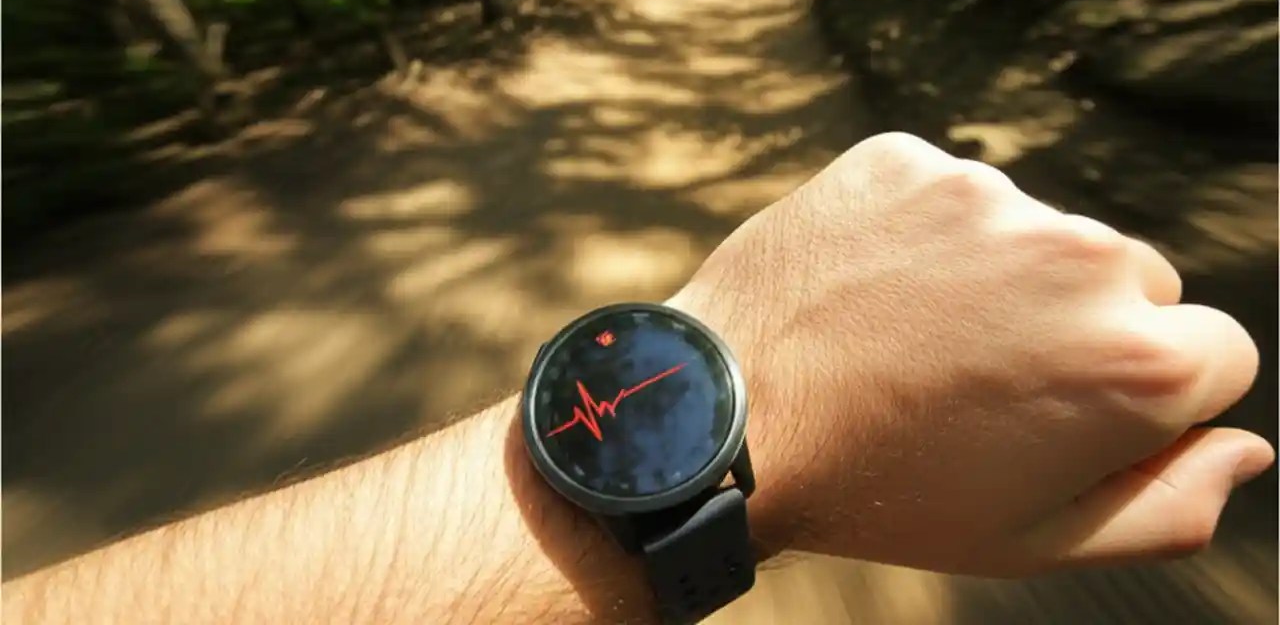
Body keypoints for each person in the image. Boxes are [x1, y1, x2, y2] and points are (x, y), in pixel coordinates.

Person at [4, 132, 1272, 624]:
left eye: (599, 397)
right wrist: (772, 389)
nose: (597, 401)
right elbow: (624, 394)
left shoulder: (636, 398)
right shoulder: (628, 413)